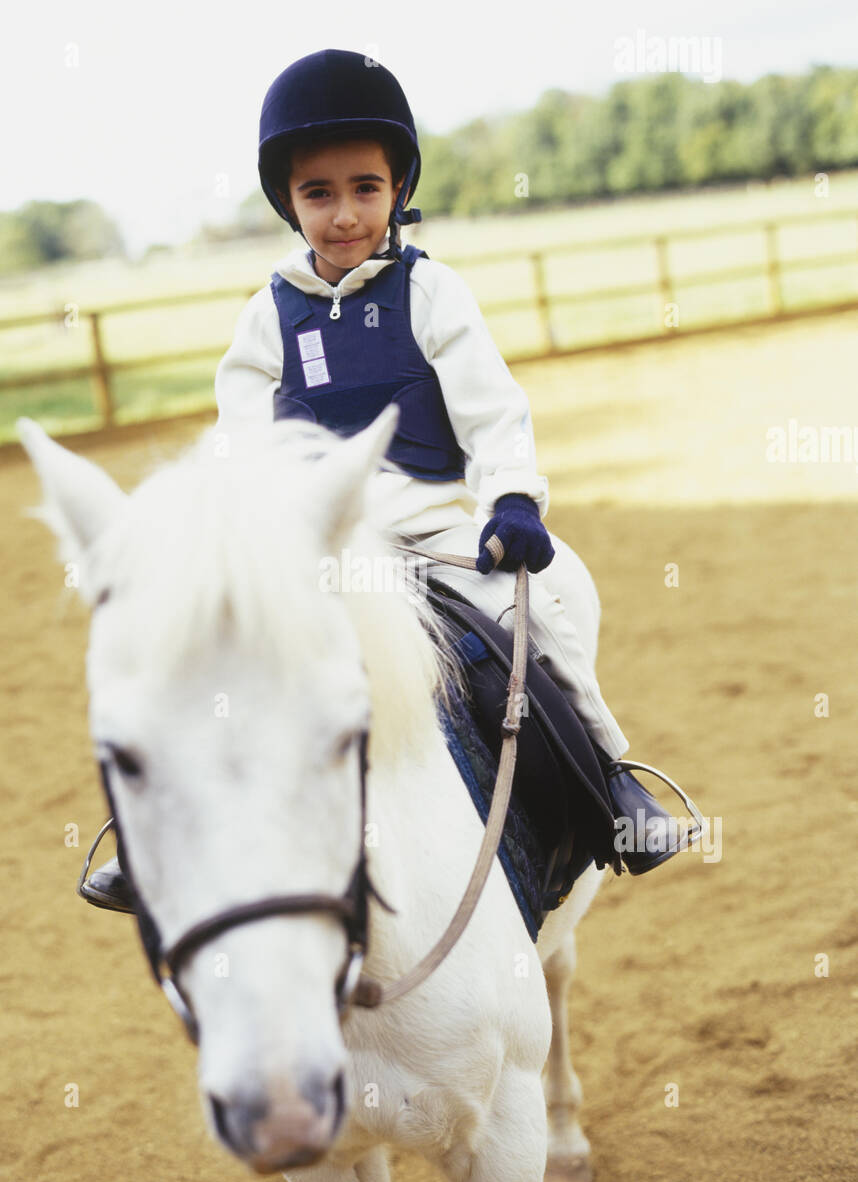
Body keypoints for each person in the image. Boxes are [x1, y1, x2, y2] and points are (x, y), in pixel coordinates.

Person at [82, 48, 698, 913]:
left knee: (539, 620)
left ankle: (614, 782)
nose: (343, 215)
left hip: (433, 527)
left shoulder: (432, 293)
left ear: (397, 188)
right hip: (315, 544)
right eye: (319, 193)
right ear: (288, 202)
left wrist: (514, 496)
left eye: (364, 188)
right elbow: (240, 440)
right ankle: (157, 844)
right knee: (209, 650)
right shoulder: (266, 317)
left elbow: (493, 410)